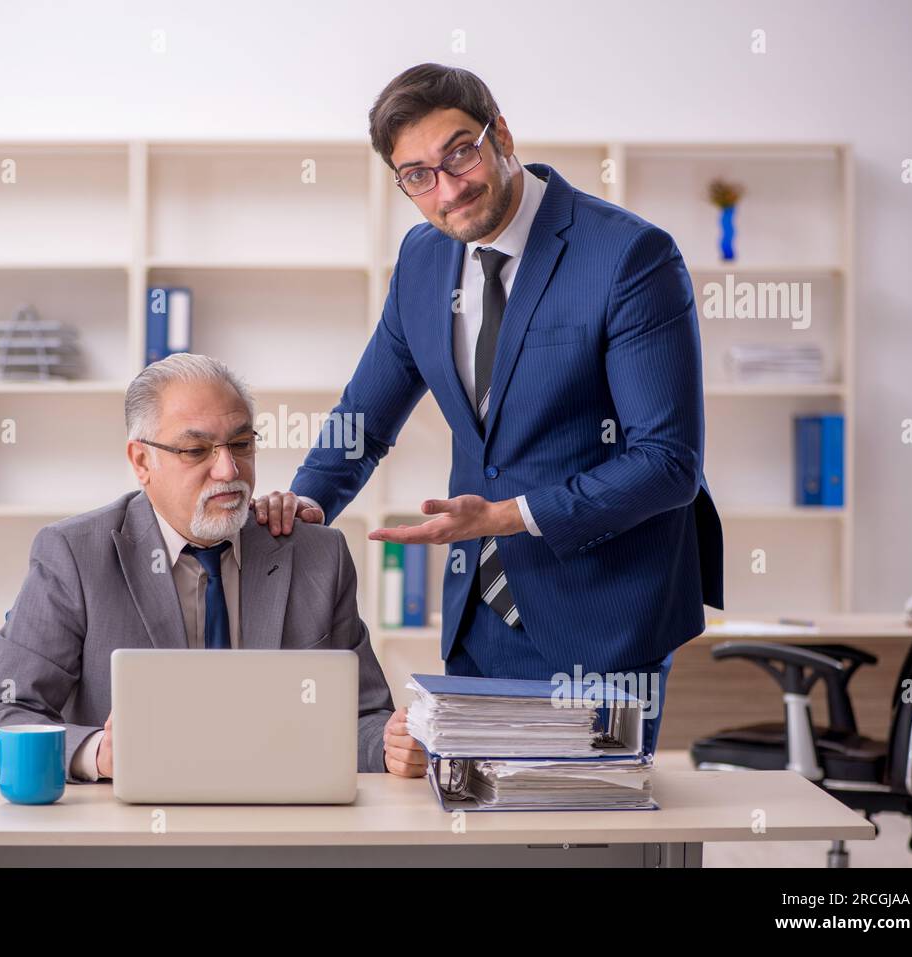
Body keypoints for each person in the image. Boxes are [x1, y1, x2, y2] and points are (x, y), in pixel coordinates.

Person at [255, 63, 724, 757]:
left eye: (459, 154)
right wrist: (305, 503)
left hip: (605, 614)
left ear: (499, 132)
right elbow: (366, 414)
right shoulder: (423, 260)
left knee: (585, 830)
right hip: (481, 606)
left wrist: (506, 516)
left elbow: (667, 463)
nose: (446, 190)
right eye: (417, 175)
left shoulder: (629, 256)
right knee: (478, 825)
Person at [0, 353, 415, 780]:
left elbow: (361, 717)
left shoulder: (318, 555)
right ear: (142, 461)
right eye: (196, 450)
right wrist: (100, 755)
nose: (227, 469)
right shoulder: (74, 555)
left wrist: (388, 744)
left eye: (241, 444)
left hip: (282, 825)